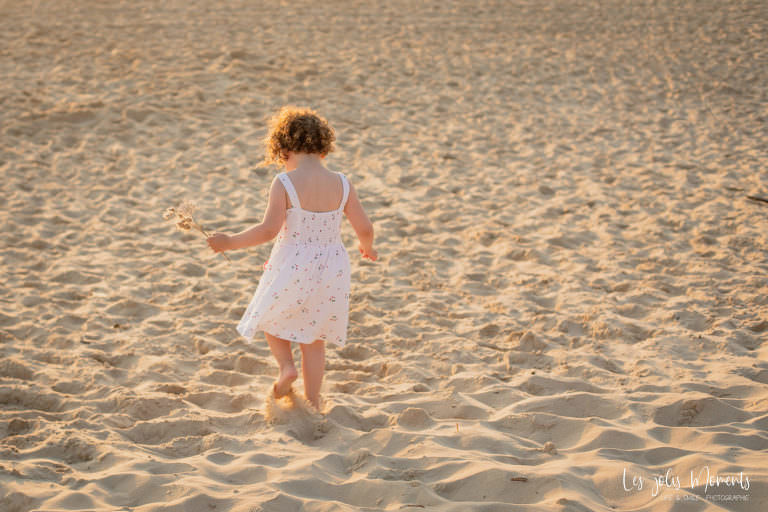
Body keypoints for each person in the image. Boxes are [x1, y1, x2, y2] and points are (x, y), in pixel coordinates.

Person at [206, 106, 377, 410]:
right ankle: (313, 400)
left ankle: (286, 366)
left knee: (271, 316)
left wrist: (229, 242)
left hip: (292, 262)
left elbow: (269, 230)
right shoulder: (343, 183)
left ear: (283, 149)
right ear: (323, 148)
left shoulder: (284, 183)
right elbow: (364, 226)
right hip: (332, 266)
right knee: (314, 338)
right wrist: (368, 246)